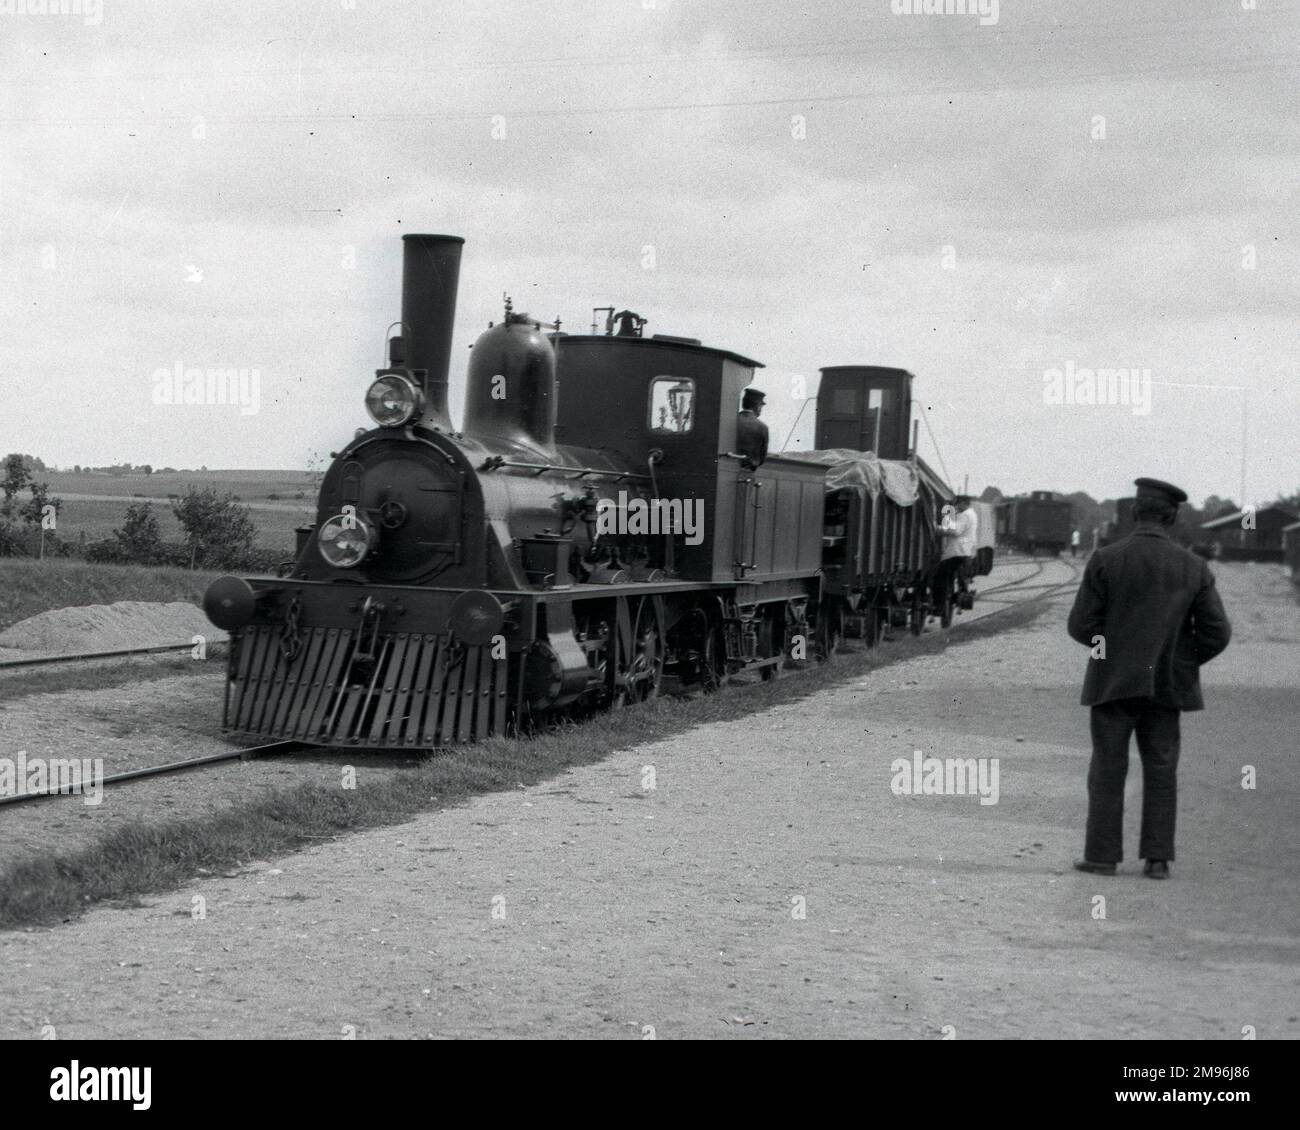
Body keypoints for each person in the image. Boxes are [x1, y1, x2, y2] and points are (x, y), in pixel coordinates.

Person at [1066, 477, 1232, 880]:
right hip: (1167, 687)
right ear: (1172, 516)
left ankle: (1103, 857)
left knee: (1108, 768)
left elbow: (1081, 625)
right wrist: (1181, 660)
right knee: (1161, 769)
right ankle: (1157, 860)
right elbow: (1218, 633)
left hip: (1112, 685)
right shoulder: (1194, 566)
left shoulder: (1105, 559)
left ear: (1136, 512)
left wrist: (1111, 650)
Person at [934, 495, 978, 605]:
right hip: (965, 552)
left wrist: (938, 528)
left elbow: (956, 531)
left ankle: (939, 603)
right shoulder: (972, 515)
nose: (957, 506)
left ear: (964, 503)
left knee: (940, 574)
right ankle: (952, 596)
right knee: (947, 574)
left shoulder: (965, 515)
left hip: (958, 552)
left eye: (958, 504)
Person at [735, 387, 769, 469]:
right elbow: (762, 458)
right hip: (747, 472)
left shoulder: (730, 421)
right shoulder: (762, 427)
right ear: (758, 407)